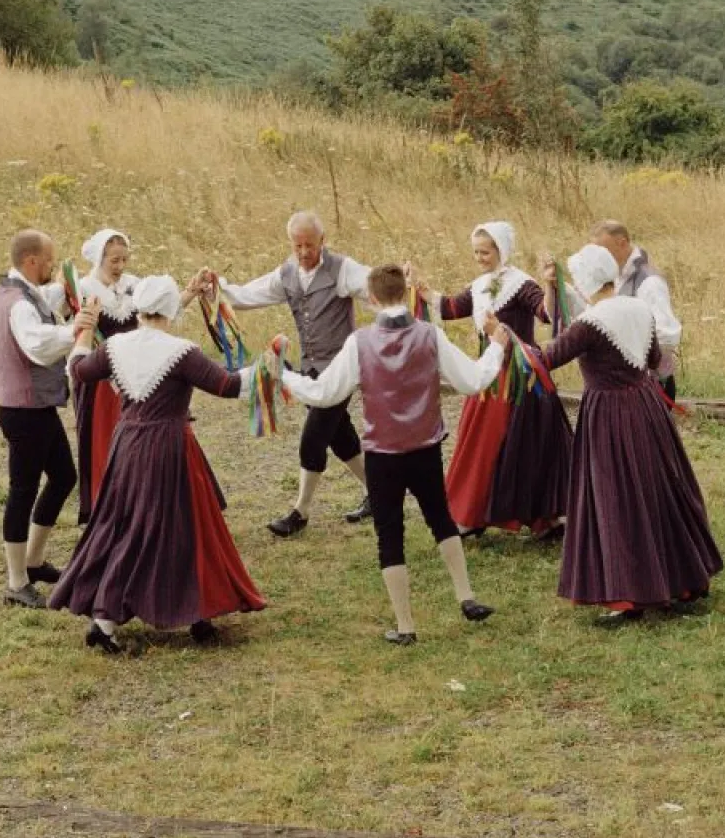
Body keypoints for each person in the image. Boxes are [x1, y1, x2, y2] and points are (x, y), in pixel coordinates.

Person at [279, 264, 507, 645]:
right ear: (406, 293)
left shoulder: (359, 342)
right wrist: (497, 345)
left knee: (390, 534)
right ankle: (465, 596)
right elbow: (472, 380)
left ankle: (405, 626)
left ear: (370, 299)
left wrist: (285, 375)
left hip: (383, 453)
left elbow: (325, 394)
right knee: (441, 518)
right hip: (425, 447)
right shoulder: (430, 335)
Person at [50, 275, 264, 654]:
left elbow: (79, 371)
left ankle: (186, 613)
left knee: (125, 524)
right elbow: (228, 386)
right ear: (169, 310)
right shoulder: (182, 352)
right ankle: (113, 620)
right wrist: (268, 369)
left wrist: (83, 333)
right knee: (178, 527)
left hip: (127, 444)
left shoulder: (116, 346)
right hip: (168, 447)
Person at [539, 244, 722, 618]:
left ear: (587, 280)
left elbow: (547, 360)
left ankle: (630, 593)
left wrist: (504, 342)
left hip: (609, 414)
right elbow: (654, 359)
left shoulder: (589, 325)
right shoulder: (638, 307)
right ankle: (681, 577)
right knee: (659, 489)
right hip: (647, 406)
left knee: (616, 497)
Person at [206, 211, 372, 537]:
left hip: (341, 371)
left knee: (313, 439)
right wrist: (216, 288)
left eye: (310, 245)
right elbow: (246, 296)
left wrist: (403, 285)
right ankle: (379, 493)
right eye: (297, 246)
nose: (304, 252)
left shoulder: (343, 269)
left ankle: (300, 512)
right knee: (340, 436)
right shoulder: (286, 274)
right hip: (311, 369)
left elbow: (378, 287)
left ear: (322, 241)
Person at [425, 221, 573, 539]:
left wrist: (550, 285)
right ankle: (470, 513)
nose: (480, 258)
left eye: (486, 252)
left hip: (521, 378)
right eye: (476, 252)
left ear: (501, 250)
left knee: (526, 447)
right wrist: (420, 290)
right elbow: (451, 307)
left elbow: (545, 314)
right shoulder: (480, 284)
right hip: (490, 374)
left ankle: (540, 518)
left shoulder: (520, 284)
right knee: (481, 443)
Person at [0, 229, 93, 607]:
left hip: (34, 408)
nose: (52, 264)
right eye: (49, 259)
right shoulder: (19, 305)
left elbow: (44, 301)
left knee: (64, 476)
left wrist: (68, 289)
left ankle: (33, 562)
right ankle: (16, 582)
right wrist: (76, 330)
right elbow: (37, 346)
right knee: (22, 490)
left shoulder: (14, 294)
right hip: (23, 411)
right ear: (31, 261)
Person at [71, 229, 143, 523]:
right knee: (105, 438)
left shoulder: (134, 286)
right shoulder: (84, 289)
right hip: (101, 383)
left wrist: (189, 293)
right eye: (114, 260)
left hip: (134, 377)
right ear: (100, 258)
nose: (120, 266)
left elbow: (157, 315)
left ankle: (137, 500)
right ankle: (107, 505)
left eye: (124, 259)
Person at [587, 220, 683, 398]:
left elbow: (667, 336)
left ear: (622, 243)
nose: (597, 259)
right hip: (628, 384)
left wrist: (637, 366)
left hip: (650, 385)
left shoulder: (649, 282)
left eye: (602, 252)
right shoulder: (615, 276)